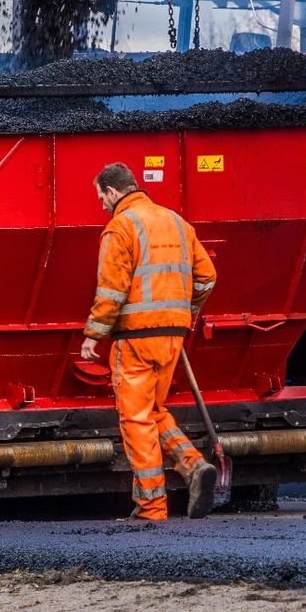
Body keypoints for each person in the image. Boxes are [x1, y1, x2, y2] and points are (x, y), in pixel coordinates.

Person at [80, 162, 218, 521]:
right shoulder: (176, 221)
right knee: (153, 411)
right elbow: (207, 277)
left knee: (136, 420)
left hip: (136, 340)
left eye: (100, 197)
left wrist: (94, 334)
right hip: (173, 337)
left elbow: (112, 289)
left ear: (112, 191)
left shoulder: (120, 227)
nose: (101, 205)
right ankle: (192, 465)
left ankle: (151, 507)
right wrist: (184, 310)